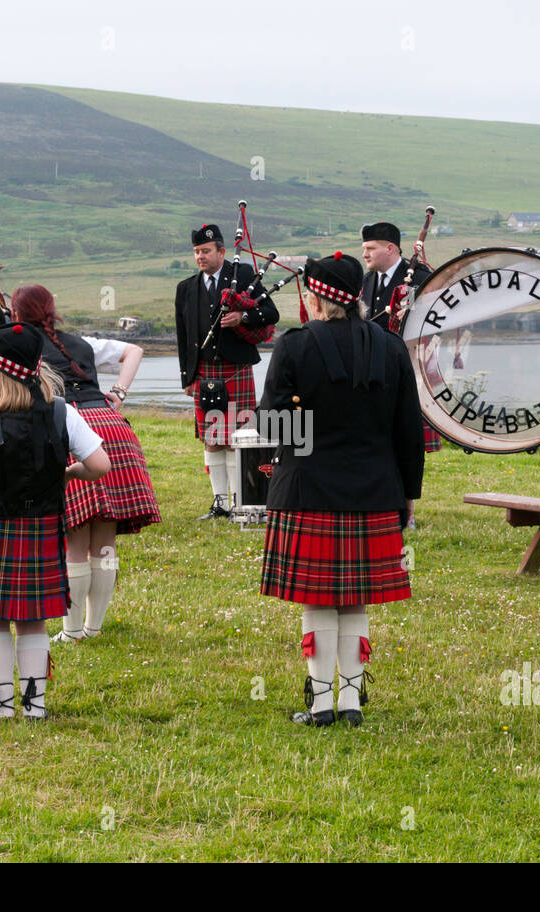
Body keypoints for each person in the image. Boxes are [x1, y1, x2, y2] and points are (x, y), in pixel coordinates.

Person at [257, 252, 424, 726]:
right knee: (355, 598)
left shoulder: (293, 346)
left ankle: (321, 703)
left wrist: (314, 436)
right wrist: (407, 490)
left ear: (315, 296)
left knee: (318, 597)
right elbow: (407, 430)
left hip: (308, 489)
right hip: (375, 489)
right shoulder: (391, 348)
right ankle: (350, 702)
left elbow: (275, 427)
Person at [0, 323, 110, 721]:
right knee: (33, 621)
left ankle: (1, 706)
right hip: (41, 525)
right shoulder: (61, 412)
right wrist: (68, 473)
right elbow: (99, 465)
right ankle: (35, 707)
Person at [10, 284, 160, 643]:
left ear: (16, 312)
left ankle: (73, 631)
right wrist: (119, 394)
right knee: (104, 535)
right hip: (110, 428)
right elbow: (135, 350)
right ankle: (94, 628)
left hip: (69, 428)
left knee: (74, 537)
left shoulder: (19, 344)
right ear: (51, 308)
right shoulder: (80, 341)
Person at [174, 223, 279, 520]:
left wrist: (241, 316)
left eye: (205, 251)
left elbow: (271, 313)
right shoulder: (186, 288)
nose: (200, 257)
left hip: (236, 368)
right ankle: (219, 503)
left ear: (222, 251)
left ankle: (238, 504)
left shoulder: (242, 276)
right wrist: (187, 377)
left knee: (236, 438)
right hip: (204, 374)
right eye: (196, 252)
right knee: (211, 437)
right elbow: (183, 338)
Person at [362, 221, 440, 524]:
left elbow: (441, 322)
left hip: (408, 369)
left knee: (405, 442)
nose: (365, 254)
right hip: (373, 369)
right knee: (378, 439)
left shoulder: (420, 277)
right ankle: (381, 502)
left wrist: (415, 316)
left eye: (370, 248)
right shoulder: (368, 280)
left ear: (390, 248)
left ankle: (406, 511)